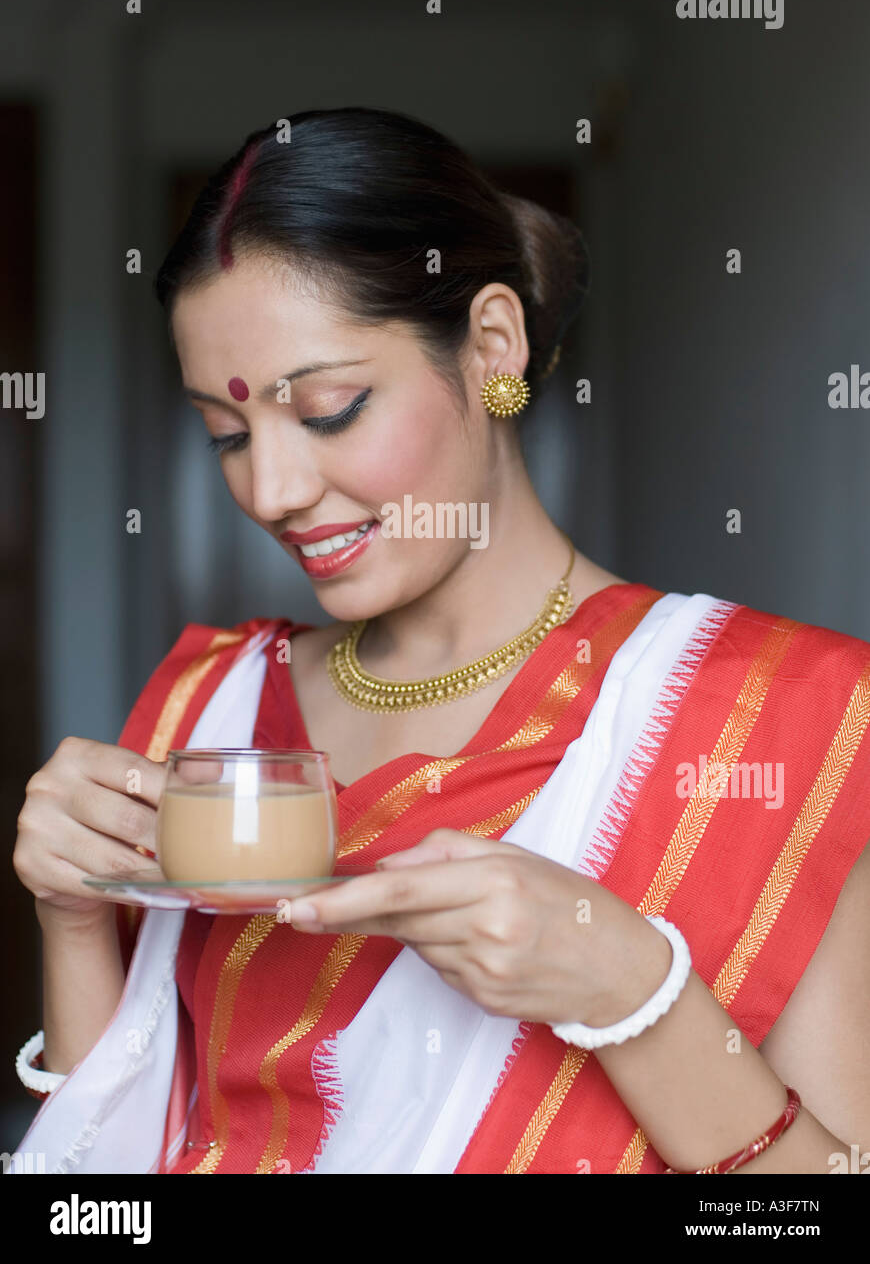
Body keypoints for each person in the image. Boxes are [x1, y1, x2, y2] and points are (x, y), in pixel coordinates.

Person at [11, 106, 870, 1176]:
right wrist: (76, 920)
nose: (271, 491)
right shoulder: (211, 708)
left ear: (494, 345)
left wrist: (632, 993)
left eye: (329, 408)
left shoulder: (775, 715)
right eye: (226, 434)